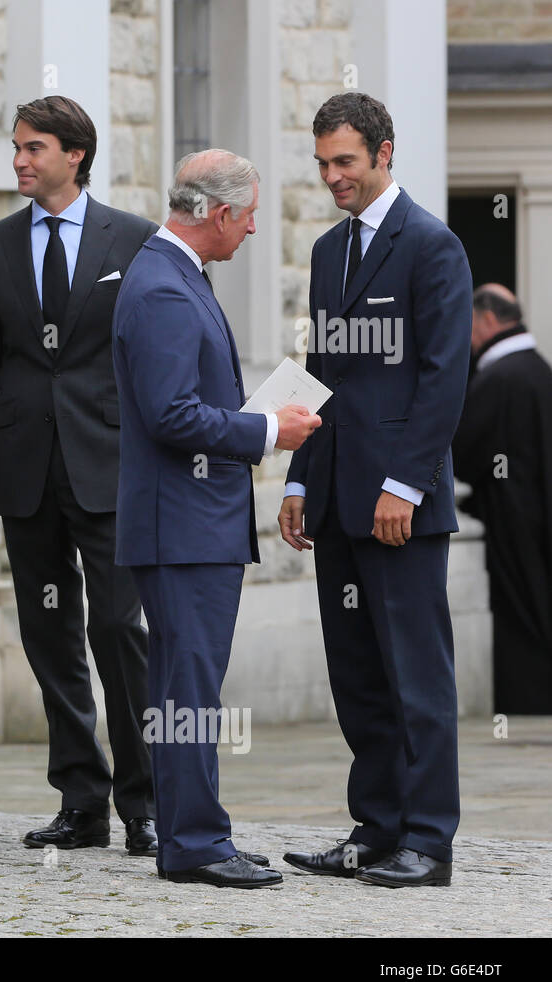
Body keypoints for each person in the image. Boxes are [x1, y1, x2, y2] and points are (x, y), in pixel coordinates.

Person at [0, 96, 158, 855]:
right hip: (24, 472)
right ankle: (82, 799)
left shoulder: (135, 241)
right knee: (49, 634)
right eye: (16, 148)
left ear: (75, 154)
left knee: (118, 629)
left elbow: (150, 360)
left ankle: (146, 802)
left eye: (33, 148)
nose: (19, 160)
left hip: (109, 468)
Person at [279, 93, 472, 888]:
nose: (332, 177)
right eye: (323, 163)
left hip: (400, 506)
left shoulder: (433, 246)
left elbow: (442, 379)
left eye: (345, 162)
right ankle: (377, 828)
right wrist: (296, 475)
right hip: (335, 498)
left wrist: (405, 485)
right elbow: (322, 373)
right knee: (357, 675)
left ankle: (427, 841)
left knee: (416, 680)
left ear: (384, 153)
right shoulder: (329, 252)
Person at [113, 149, 318, 888]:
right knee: (188, 690)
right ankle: (195, 841)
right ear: (220, 213)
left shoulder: (172, 275)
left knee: (183, 687)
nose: (256, 229)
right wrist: (269, 433)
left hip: (189, 523)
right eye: (251, 214)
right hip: (184, 527)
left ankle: (193, 832)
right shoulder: (165, 287)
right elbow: (171, 414)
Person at [453, 285, 552, 714]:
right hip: (534, 513)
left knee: (522, 620)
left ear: (489, 320)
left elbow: (464, 452)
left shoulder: (500, 378)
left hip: (514, 519)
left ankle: (527, 706)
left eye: (472, 324)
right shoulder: (537, 370)